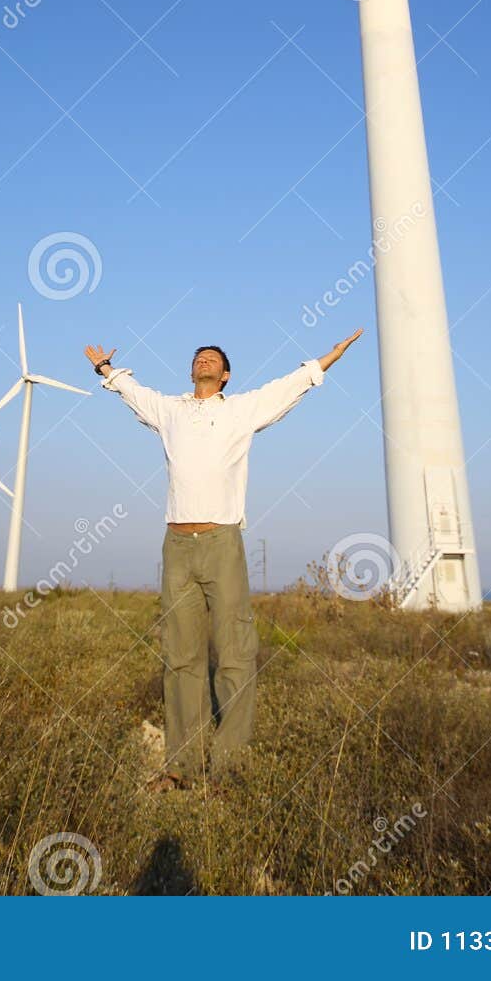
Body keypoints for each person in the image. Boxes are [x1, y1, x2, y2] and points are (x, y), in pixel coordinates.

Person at [83, 330, 363, 791]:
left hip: (222, 541)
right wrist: (105, 370)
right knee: (180, 657)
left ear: (225, 375)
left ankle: (227, 768)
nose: (205, 360)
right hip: (176, 546)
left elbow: (289, 385)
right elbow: (134, 394)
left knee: (234, 652)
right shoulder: (170, 411)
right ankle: (181, 767)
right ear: (192, 371)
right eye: (199, 356)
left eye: (213, 358)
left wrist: (330, 357)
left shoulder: (240, 409)